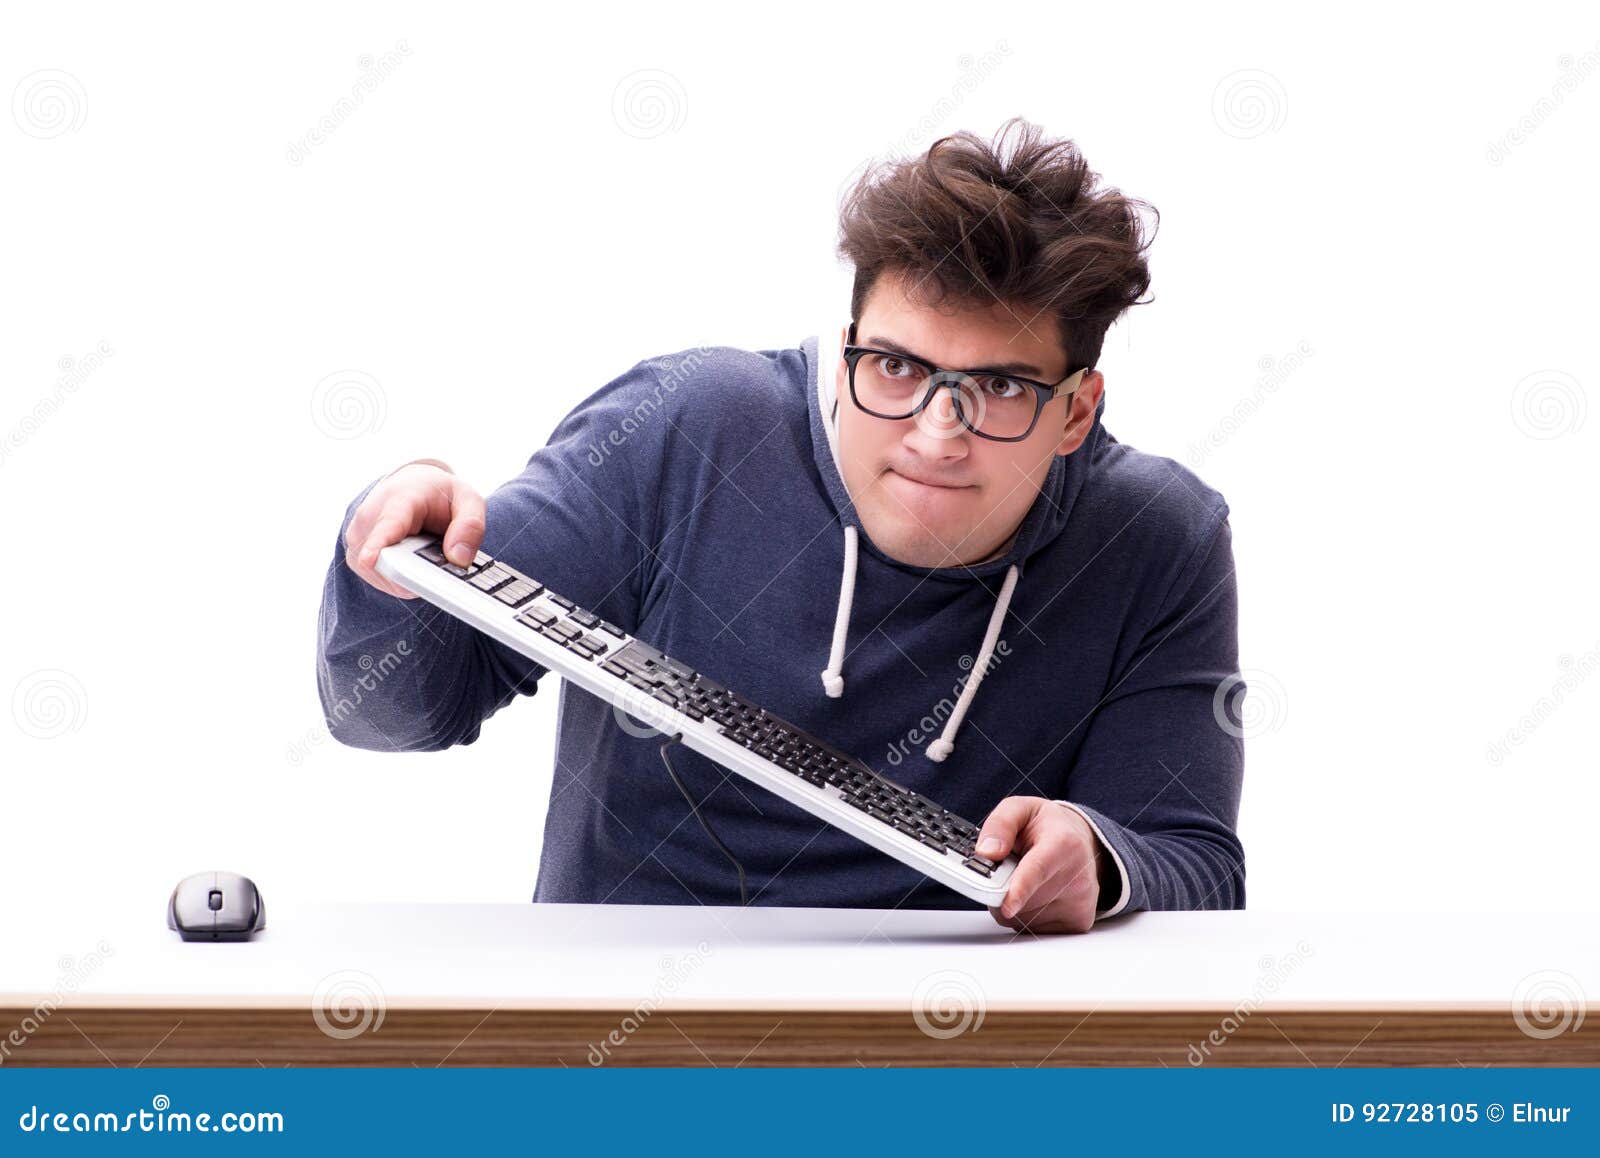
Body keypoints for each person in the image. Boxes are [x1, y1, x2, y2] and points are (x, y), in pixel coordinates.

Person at [317, 117, 1246, 934]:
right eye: (896, 369)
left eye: (999, 387)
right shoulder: (688, 427)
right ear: (845, 356)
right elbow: (391, 715)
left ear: (1076, 412)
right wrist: (395, 562)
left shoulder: (1158, 538)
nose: (937, 433)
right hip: (628, 1034)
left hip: (957, 1036)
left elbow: (1198, 867)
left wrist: (1103, 862)